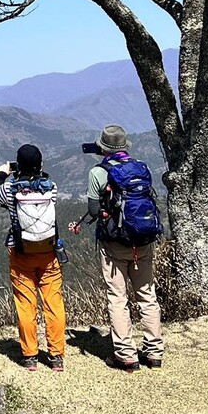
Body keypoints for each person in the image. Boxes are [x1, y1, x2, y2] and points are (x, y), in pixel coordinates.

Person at [68, 124, 164, 372]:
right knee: (147, 295)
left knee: (118, 298)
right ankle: (154, 352)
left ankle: (126, 355)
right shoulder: (140, 167)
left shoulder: (98, 172)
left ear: (102, 147)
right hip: (143, 240)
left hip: (114, 244)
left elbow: (92, 211)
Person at [0, 143, 66, 371]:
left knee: (26, 303)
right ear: (41, 164)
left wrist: (4, 173)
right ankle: (56, 356)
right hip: (49, 252)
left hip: (21, 252)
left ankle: (30, 356)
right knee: (54, 303)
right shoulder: (52, 187)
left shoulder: (11, 190)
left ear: (18, 166)